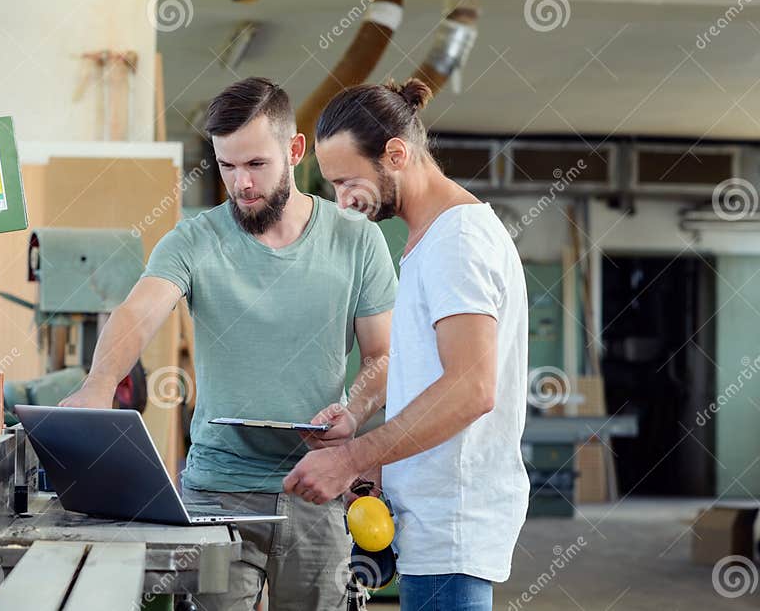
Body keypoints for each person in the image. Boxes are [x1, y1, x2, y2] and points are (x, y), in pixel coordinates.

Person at [60, 77, 397, 610]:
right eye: (226, 166)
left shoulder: (356, 238)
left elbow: (381, 355)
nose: (240, 183)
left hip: (315, 485)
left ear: (294, 150)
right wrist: (99, 385)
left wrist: (354, 411)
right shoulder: (194, 239)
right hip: (216, 491)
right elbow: (141, 310)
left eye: (256, 165)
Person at [282, 78, 529, 611]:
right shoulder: (429, 240)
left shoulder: (457, 242)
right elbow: (431, 378)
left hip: (451, 531)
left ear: (396, 154)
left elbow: (471, 389)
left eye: (348, 180)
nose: (343, 201)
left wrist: (352, 458)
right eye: (332, 185)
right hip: (428, 525)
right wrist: (376, 460)